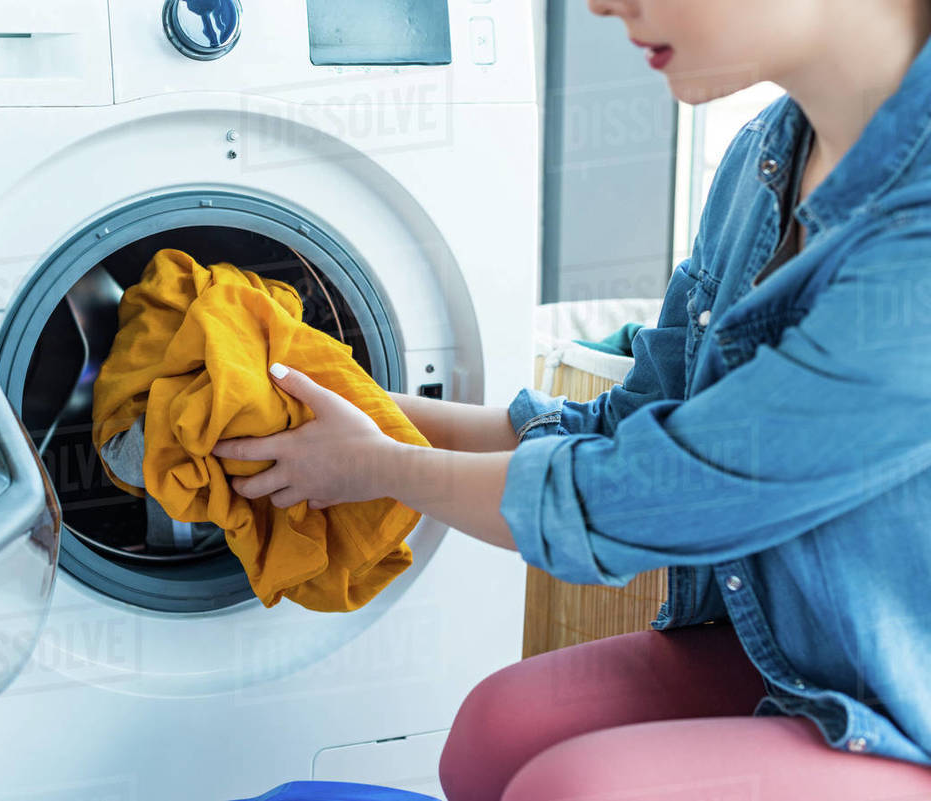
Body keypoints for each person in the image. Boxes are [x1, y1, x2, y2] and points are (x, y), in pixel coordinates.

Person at [212, 0, 931, 798]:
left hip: (909, 709)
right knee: (497, 729)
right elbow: (625, 427)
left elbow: (655, 495)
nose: (597, 4)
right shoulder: (765, 156)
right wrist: (362, 408)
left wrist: (375, 465)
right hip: (808, 652)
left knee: (576, 787)